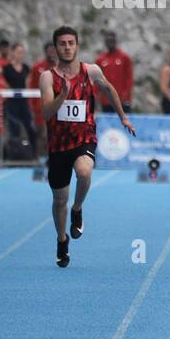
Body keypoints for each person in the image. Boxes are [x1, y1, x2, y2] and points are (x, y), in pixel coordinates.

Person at [39, 26, 135, 268]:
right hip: (58, 144)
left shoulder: (91, 71)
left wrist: (122, 116)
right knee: (59, 199)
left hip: (85, 138)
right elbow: (47, 112)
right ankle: (62, 240)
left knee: (84, 172)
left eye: (71, 43)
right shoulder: (47, 78)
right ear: (55, 48)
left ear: (77, 45)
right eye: (62, 43)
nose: (67, 47)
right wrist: (63, 96)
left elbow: (109, 89)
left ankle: (78, 208)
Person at [0, 42, 36, 156]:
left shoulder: (26, 67)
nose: (20, 55)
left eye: (22, 52)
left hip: (24, 101)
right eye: (18, 52)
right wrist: (4, 85)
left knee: (30, 126)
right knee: (14, 128)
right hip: (11, 102)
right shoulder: (7, 68)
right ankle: (14, 154)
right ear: (13, 53)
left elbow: (28, 83)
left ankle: (33, 153)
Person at [95, 30, 134, 112]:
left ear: (115, 41)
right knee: (108, 124)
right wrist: (96, 98)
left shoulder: (124, 58)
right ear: (105, 42)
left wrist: (125, 96)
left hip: (122, 100)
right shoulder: (100, 60)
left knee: (124, 122)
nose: (110, 42)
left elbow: (129, 78)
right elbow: (97, 81)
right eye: (108, 40)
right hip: (106, 101)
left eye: (112, 40)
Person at [29, 41, 57, 151]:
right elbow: (32, 86)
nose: (51, 53)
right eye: (49, 51)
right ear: (45, 52)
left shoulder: (60, 67)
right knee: (39, 130)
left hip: (55, 105)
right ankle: (37, 154)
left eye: (53, 51)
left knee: (54, 131)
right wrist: (31, 104)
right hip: (40, 105)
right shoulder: (37, 67)